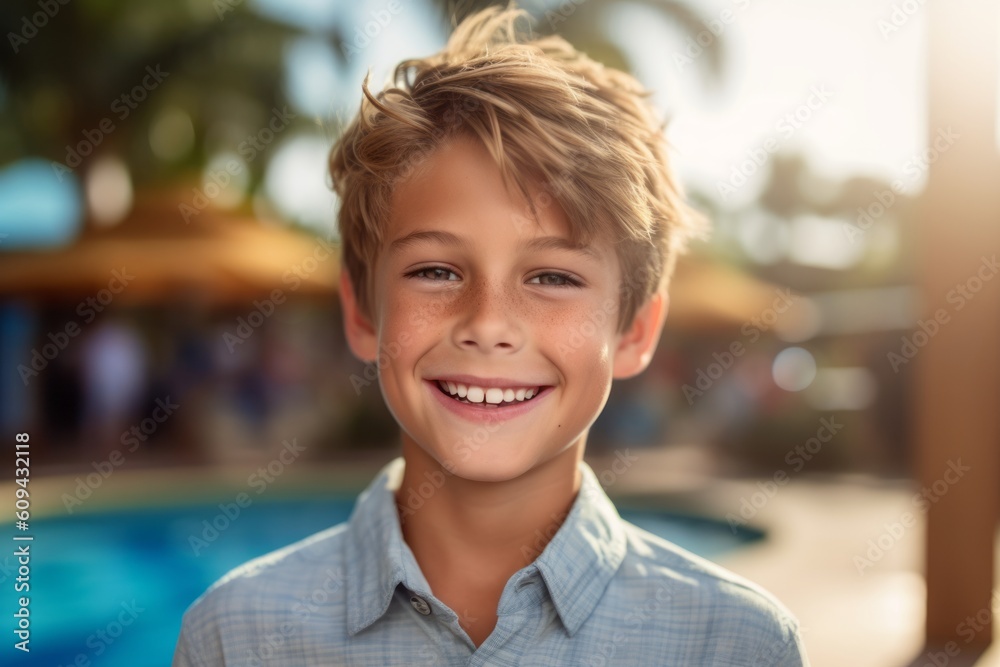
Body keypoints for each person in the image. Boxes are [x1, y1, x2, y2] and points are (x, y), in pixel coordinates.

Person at [173, 6, 809, 665]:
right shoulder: (235, 634)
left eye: (554, 277)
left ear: (635, 329)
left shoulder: (735, 644)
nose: (487, 323)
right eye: (436, 270)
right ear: (362, 312)